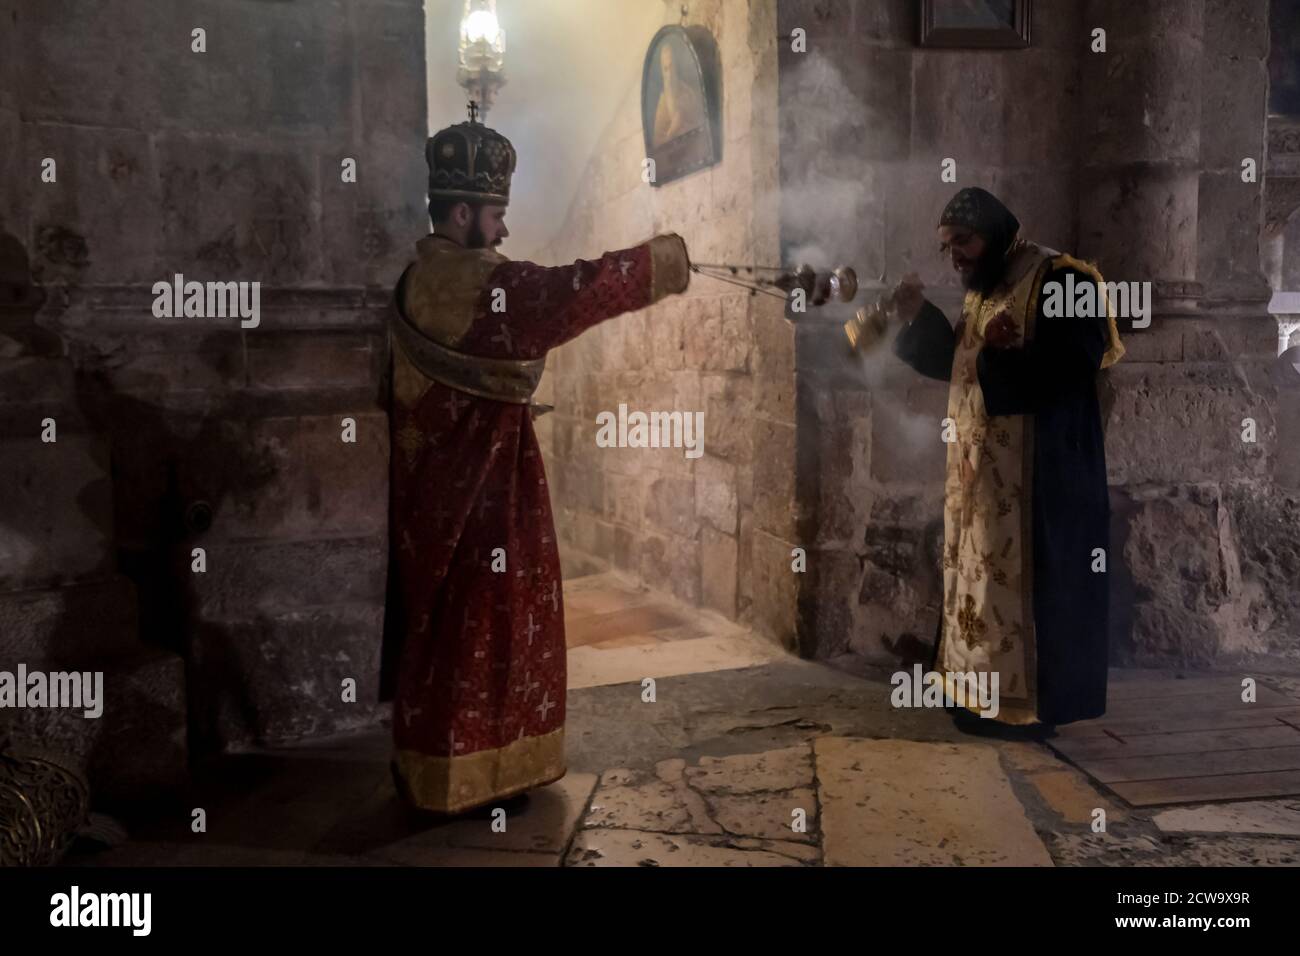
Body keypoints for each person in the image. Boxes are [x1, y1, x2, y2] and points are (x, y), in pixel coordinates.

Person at [380, 105, 691, 814]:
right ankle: (485, 774)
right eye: (494, 214)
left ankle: (434, 768)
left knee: (438, 631)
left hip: (428, 496)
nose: (504, 229)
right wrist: (660, 263)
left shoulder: (413, 280)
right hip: (485, 495)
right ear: (460, 215)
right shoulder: (478, 286)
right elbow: (566, 293)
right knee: (493, 624)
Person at [891, 186, 1125, 728]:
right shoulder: (986, 288)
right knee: (975, 582)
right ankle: (976, 695)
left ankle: (1029, 710)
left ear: (996, 233)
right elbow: (959, 362)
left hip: (1042, 478)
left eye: (964, 242)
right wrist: (918, 316)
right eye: (948, 246)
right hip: (982, 481)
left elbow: (1071, 368)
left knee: (1036, 593)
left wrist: (1000, 359)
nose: (956, 255)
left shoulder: (1065, 278)